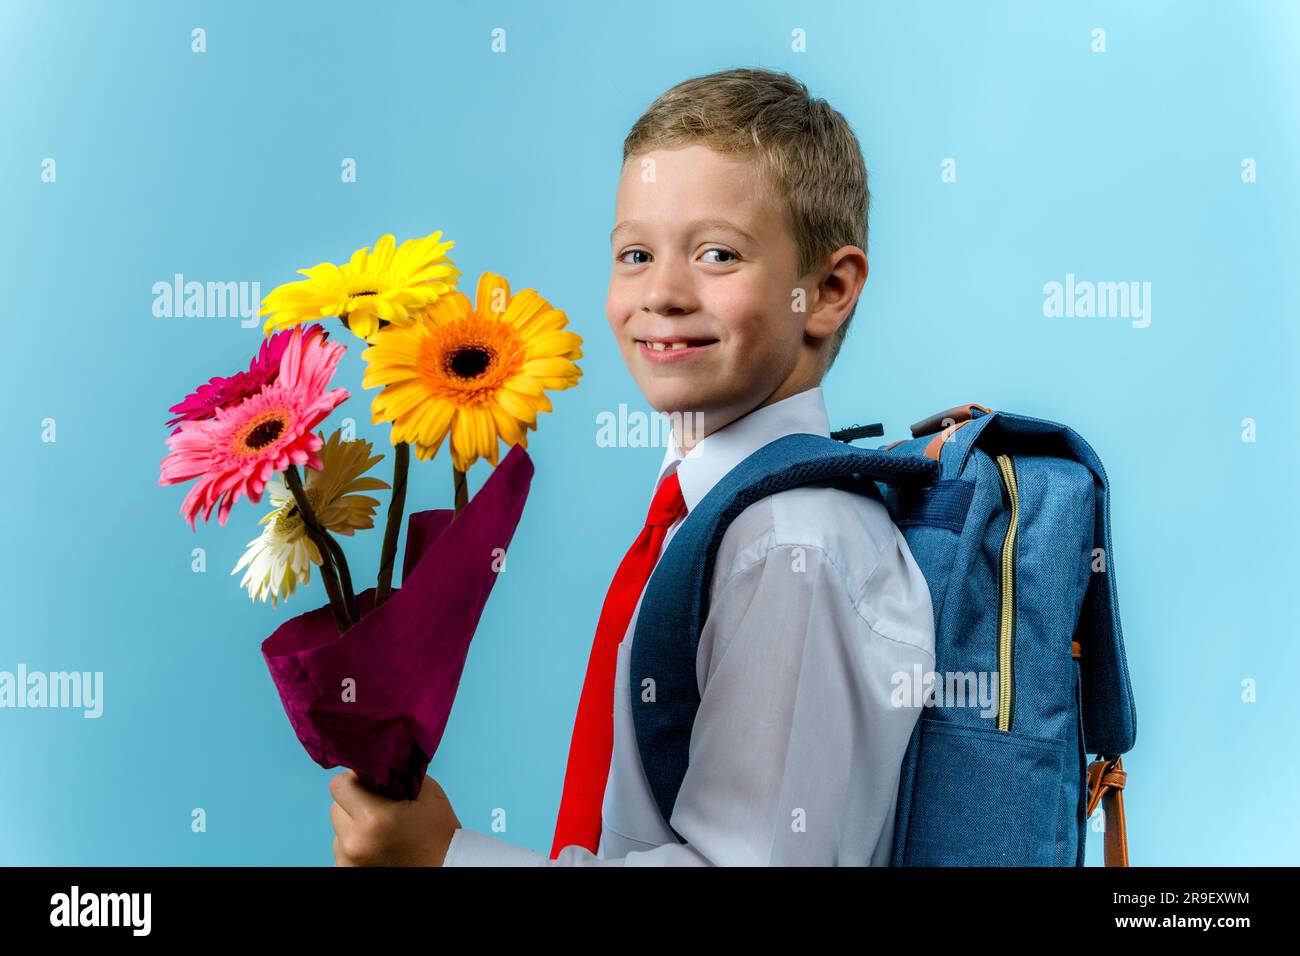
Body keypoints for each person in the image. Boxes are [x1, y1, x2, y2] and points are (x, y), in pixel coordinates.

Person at [328, 67, 936, 867]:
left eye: (718, 254)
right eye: (636, 253)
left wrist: (449, 859)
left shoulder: (793, 544)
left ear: (826, 290)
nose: (664, 293)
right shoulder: (711, 518)